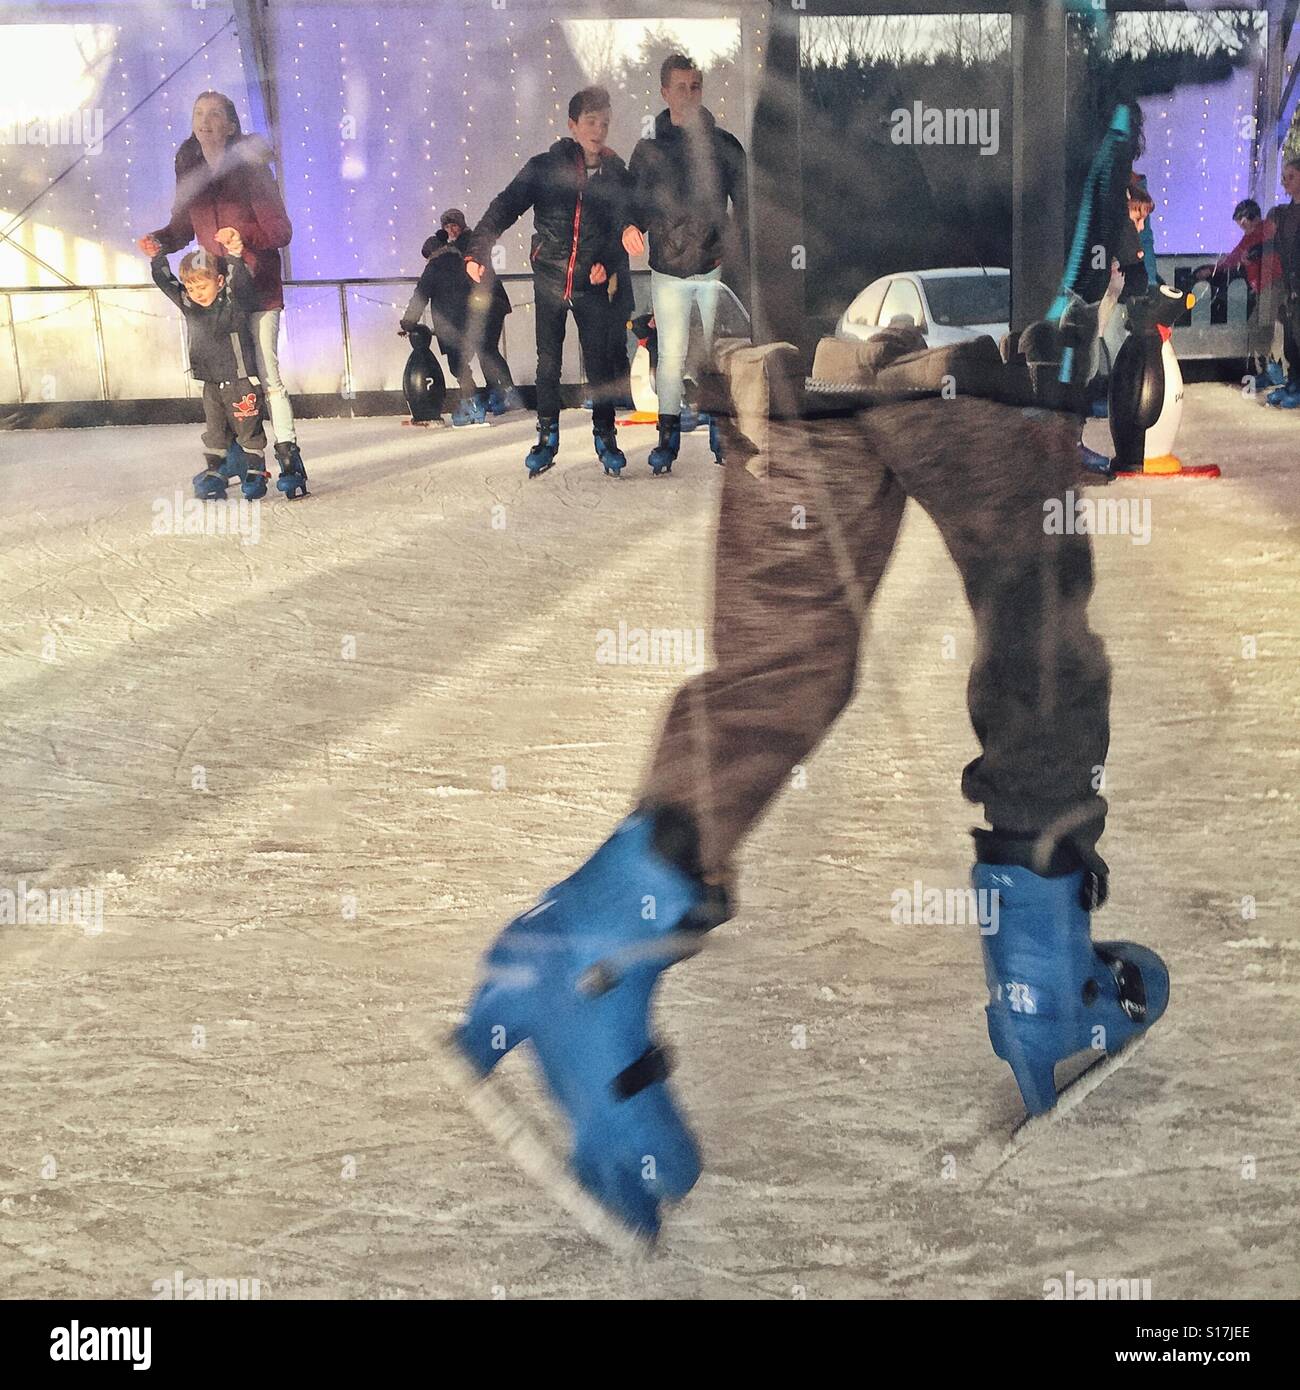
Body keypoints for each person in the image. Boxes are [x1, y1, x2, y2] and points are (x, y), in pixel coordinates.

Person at [450, 103, 1170, 1245]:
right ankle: (1048, 985)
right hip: (982, 327)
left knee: (777, 666)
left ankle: (584, 957)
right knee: (1037, 636)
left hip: (789, 338)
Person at [137, 91, 305, 498]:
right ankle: (231, 455)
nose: (205, 120)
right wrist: (159, 240)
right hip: (216, 300)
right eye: (198, 113)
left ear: (231, 125)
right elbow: (182, 228)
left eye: (214, 114)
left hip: (258, 290)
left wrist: (241, 237)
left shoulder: (250, 169)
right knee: (219, 378)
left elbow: (281, 231)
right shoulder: (191, 169)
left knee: (266, 376)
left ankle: (288, 458)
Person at [464, 87, 631, 477]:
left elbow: (623, 227)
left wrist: (607, 262)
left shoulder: (616, 172)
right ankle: (546, 437)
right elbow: (506, 204)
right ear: (573, 125)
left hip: (590, 285)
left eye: (604, 122)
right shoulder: (545, 167)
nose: (598, 130)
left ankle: (606, 437)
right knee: (548, 364)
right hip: (551, 280)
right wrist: (478, 249)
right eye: (590, 121)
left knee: (601, 364)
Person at [622, 54, 749, 473]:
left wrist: (739, 249)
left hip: (713, 265)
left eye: (695, 86)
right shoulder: (649, 151)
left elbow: (747, 205)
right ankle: (668, 439)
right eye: (681, 87)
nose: (689, 94)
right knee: (672, 356)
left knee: (716, 353)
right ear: (664, 92)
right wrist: (629, 226)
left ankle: (720, 433)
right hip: (668, 268)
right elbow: (632, 203)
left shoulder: (724, 146)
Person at [150, 233, 282, 500]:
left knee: (248, 429)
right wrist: (157, 257)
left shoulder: (233, 301)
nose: (197, 294)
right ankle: (216, 471)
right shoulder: (189, 305)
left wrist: (234, 252)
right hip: (211, 383)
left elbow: (240, 279)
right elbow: (166, 282)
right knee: (215, 431)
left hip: (241, 381)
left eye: (203, 286)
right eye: (192, 288)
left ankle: (256, 471)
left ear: (219, 282)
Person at [400, 219, 488, 427]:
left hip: (450, 324)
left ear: (430, 253)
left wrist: (408, 322)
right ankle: (472, 403)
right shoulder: (461, 262)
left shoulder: (434, 268)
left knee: (458, 366)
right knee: (462, 364)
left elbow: (419, 297)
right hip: (470, 320)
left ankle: (473, 406)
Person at [435, 209, 524, 416]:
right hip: (488, 302)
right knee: (486, 349)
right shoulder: (465, 242)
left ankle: (506, 392)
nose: (451, 230)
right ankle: (500, 391)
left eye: (453, 225)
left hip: (490, 302)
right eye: (447, 227)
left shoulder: (466, 243)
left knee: (487, 349)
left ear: (461, 224)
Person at [1194, 198, 1284, 391]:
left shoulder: (1266, 230)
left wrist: (1254, 253)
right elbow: (1233, 257)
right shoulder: (1251, 236)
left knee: (1262, 326)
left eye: (1242, 221)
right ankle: (1268, 370)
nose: (1242, 226)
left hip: (1273, 285)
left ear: (1249, 217)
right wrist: (1212, 269)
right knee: (1258, 326)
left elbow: (1273, 247)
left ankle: (1272, 370)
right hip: (1264, 288)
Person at [1261, 159, 1300, 407]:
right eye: (1284, 176)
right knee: (1291, 338)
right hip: (1290, 285)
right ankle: (1293, 381)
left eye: (1292, 176)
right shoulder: (1285, 214)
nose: (1285, 181)